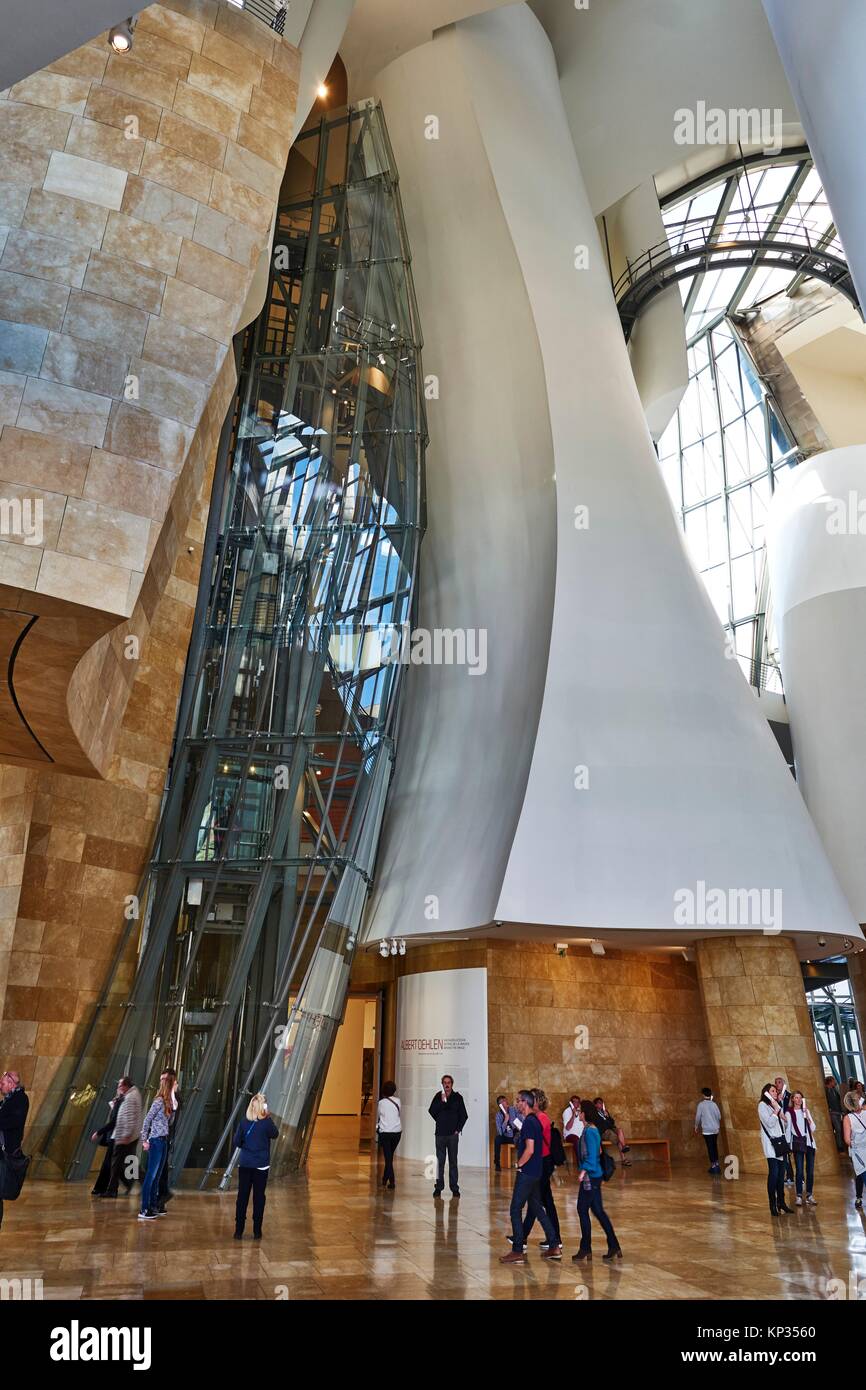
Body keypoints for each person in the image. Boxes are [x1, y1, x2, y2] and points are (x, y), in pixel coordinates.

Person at [499, 1089, 561, 1264]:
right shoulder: (534, 1121)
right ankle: (554, 1245)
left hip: (527, 1173)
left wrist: (519, 1164)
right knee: (538, 1209)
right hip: (536, 1172)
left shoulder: (529, 1123)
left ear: (526, 1102)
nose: (516, 1103)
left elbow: (530, 1149)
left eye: (518, 1100)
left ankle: (517, 1250)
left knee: (515, 1209)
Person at [572, 1099, 622, 1262]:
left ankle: (585, 1248)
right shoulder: (588, 1129)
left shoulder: (591, 1131)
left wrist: (583, 1171)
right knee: (598, 1211)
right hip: (592, 1176)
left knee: (582, 1209)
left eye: (579, 1111)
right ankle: (613, 1245)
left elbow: (594, 1155)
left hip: (591, 1177)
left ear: (585, 1113)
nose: (578, 1113)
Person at [233, 1093, 279, 1239]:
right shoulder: (266, 1123)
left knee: (242, 1197)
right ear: (262, 1107)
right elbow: (275, 1134)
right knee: (259, 1198)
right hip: (261, 1166)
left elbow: (236, 1142)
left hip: (245, 1164)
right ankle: (257, 1231)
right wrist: (268, 1117)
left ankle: (238, 1231)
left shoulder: (244, 1122)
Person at [138, 1077, 173, 1221]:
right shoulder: (158, 1101)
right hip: (156, 1141)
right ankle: (144, 1208)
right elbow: (147, 1120)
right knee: (151, 1176)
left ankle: (153, 1206)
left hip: (163, 1140)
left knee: (157, 1176)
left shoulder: (167, 1102)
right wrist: (144, 1140)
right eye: (174, 1085)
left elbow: (169, 1122)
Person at [428, 1075, 467, 1198]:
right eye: (445, 1083)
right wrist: (442, 1102)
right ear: (442, 1084)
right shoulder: (438, 1096)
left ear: (452, 1083)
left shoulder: (457, 1097)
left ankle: (454, 1188)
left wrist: (458, 1129)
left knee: (453, 1162)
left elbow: (464, 1115)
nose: (447, 1085)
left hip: (452, 1135)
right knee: (440, 1162)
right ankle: (438, 1187)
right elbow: (432, 1111)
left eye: (449, 1082)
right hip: (440, 1134)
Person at [0, 1070, 29, 1231]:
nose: (0, 1086)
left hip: (5, 1153)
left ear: (11, 1084)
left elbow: (13, 1121)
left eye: (2, 1083)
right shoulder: (8, 1100)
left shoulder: (20, 1099)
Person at [102, 1077, 140, 1198]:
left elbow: (128, 1118)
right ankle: (113, 1189)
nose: (118, 1088)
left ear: (125, 1086)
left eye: (119, 1085)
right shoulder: (132, 1094)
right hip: (128, 1136)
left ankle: (112, 1190)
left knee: (117, 1164)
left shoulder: (129, 1098)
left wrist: (125, 1136)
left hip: (125, 1137)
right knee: (123, 1163)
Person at [758, 1082, 792, 1217]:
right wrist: (776, 1111)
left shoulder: (776, 1106)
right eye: (772, 1091)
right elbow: (769, 1123)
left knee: (781, 1174)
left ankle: (781, 1202)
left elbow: (783, 1124)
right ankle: (772, 1204)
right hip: (771, 1144)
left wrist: (781, 1113)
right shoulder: (762, 1106)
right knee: (774, 1173)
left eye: (775, 1091)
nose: (775, 1093)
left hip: (781, 1143)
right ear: (766, 1093)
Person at [90, 1080, 124, 1196]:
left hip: (117, 1137)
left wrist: (99, 1132)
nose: (117, 1088)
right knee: (112, 1163)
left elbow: (114, 1121)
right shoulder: (119, 1101)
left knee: (109, 1164)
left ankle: (103, 1188)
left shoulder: (121, 1102)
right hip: (115, 1136)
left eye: (120, 1086)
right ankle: (101, 1188)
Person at [155, 1069, 180, 1215]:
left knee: (160, 1170)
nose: (161, 1082)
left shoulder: (172, 1099)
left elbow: (170, 1121)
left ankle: (162, 1197)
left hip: (163, 1138)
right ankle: (161, 1201)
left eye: (164, 1079)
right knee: (161, 1169)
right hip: (163, 1138)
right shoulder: (166, 1097)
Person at [787, 1091, 817, 1206]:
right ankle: (799, 1195)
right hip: (798, 1144)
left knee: (810, 1171)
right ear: (793, 1099)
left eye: (800, 1098)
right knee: (799, 1171)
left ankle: (809, 1194)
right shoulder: (789, 1113)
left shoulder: (806, 1111)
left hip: (809, 1143)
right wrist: (789, 1146)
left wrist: (807, 1118)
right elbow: (788, 1130)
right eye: (796, 1098)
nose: (798, 1100)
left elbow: (813, 1128)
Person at [376, 1080, 402, 1189]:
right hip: (397, 1132)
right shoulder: (398, 1101)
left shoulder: (381, 1103)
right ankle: (385, 1178)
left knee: (388, 1158)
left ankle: (391, 1181)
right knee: (389, 1157)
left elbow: (380, 1116)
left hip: (385, 1133)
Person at [843, 1097, 866, 1210]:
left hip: (862, 1151)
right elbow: (847, 1139)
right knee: (861, 1174)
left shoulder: (864, 1113)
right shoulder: (848, 1118)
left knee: (861, 1175)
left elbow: (847, 1140)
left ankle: (858, 1196)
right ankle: (858, 1196)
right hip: (859, 1153)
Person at [594, 1096, 631, 1166]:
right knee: (618, 1139)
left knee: (619, 1130)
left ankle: (624, 1146)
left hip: (611, 1128)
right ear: (595, 1105)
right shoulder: (594, 1113)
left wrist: (607, 1116)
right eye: (599, 1103)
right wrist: (605, 1120)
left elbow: (612, 1122)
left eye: (602, 1103)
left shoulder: (605, 1111)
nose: (601, 1104)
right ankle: (624, 1159)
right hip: (604, 1131)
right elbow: (599, 1124)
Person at [694, 1086, 721, 1174]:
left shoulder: (701, 1105)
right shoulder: (714, 1104)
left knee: (710, 1147)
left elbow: (698, 1117)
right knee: (714, 1146)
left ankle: (714, 1166)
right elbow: (719, 1116)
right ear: (710, 1094)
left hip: (707, 1130)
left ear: (703, 1095)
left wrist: (696, 1126)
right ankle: (717, 1164)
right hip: (715, 1129)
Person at [773, 1075, 795, 1185]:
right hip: (781, 1129)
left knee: (794, 1152)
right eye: (776, 1082)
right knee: (785, 1153)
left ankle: (799, 1177)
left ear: (783, 1084)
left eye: (779, 1082)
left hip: (790, 1127)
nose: (777, 1084)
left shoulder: (790, 1096)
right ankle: (789, 1176)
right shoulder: (774, 1098)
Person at [494, 1095, 517, 1171]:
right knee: (497, 1139)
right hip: (505, 1137)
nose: (505, 1102)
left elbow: (520, 1120)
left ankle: (522, 1164)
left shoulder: (513, 1110)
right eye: (502, 1102)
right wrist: (505, 1121)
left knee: (522, 1139)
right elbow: (500, 1132)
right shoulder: (498, 1115)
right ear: (500, 1105)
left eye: (505, 1100)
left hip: (514, 1135)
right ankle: (497, 1162)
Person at [825, 1076, 845, 1151]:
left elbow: (838, 1101)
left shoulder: (834, 1090)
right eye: (834, 1081)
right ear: (830, 1082)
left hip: (838, 1113)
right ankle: (839, 1146)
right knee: (838, 1129)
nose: (835, 1082)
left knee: (839, 1129)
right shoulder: (826, 1090)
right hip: (832, 1113)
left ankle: (840, 1145)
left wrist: (841, 1111)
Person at [562, 1094, 583, 1163]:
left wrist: (579, 1112)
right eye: (574, 1102)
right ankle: (580, 1162)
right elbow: (568, 1127)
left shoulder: (581, 1112)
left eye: (578, 1102)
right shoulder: (567, 1112)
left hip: (581, 1135)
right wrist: (573, 1114)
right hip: (570, 1135)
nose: (576, 1104)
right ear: (571, 1103)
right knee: (577, 1140)